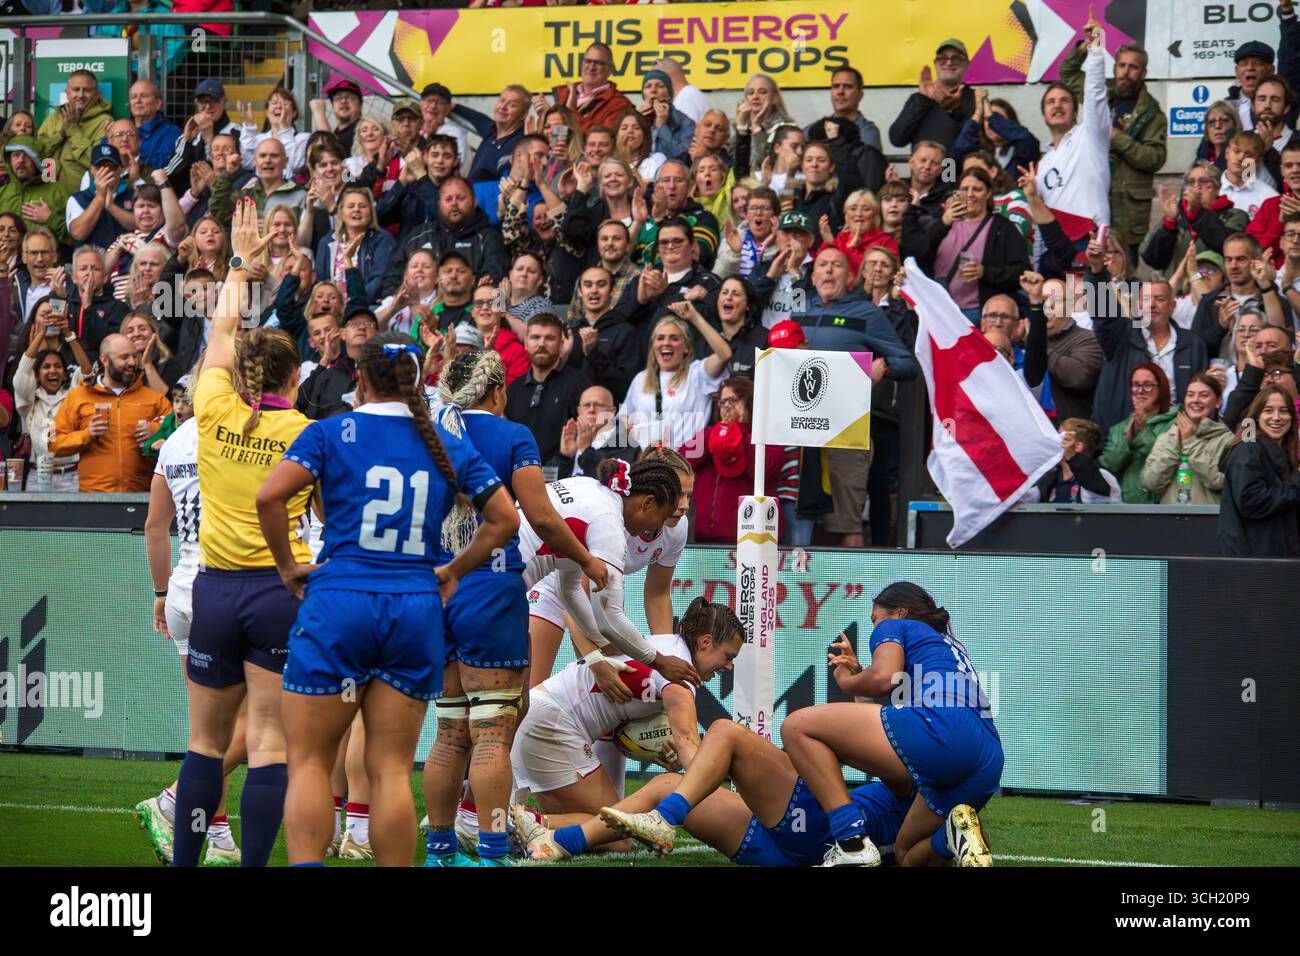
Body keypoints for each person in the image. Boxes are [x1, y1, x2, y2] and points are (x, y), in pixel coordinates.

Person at [420, 348, 607, 866]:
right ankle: (491, 851)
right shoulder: (511, 436)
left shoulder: (428, 434)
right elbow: (544, 519)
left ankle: (439, 852)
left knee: (450, 730)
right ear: (498, 389)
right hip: (490, 588)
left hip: (434, 590)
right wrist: (587, 561)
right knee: (492, 733)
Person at [168, 199, 310, 869]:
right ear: (295, 378)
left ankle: (184, 864)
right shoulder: (307, 435)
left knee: (203, 744)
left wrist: (242, 267)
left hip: (214, 592)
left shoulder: (211, 405)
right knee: (268, 743)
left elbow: (222, 330)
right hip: (280, 594)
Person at [508, 596, 741, 850]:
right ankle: (517, 824)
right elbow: (689, 747)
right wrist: (735, 795)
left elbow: (623, 733)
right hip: (551, 727)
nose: (729, 666)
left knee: (605, 828)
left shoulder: (666, 645)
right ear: (705, 642)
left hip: (540, 718)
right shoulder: (680, 678)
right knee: (617, 836)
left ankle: (512, 823)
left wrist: (657, 752)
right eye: (728, 656)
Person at [138, 403, 244, 867]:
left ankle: (217, 833)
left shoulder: (177, 438)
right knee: (259, 724)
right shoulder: (246, 433)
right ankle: (174, 797)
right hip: (230, 586)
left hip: (184, 587)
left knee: (207, 728)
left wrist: (160, 592)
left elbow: (154, 526)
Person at [1061, 39, 1166, 260]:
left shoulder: (1153, 114)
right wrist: (1087, 46)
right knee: (1087, 273)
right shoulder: (1098, 94)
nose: (1126, 72)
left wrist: (1118, 138)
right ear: (1114, 67)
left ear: (1143, 73)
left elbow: (1154, 158)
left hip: (1127, 214)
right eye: (1121, 65)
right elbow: (1068, 74)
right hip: (1092, 203)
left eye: (1133, 67)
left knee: (1124, 281)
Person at [1088, 262, 1208, 436]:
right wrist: (1097, 272)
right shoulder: (1120, 335)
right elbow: (1102, 313)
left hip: (1175, 436)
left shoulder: (1192, 343)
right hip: (1124, 437)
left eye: (1159, 299)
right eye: (1145, 299)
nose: (1151, 305)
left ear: (1172, 306)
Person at [50, 332, 171, 492]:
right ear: (104, 360)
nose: (132, 362)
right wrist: (87, 434)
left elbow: (180, 432)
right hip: (93, 497)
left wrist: (155, 431)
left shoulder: (153, 398)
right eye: (124, 357)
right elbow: (53, 444)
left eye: (134, 356)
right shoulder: (78, 396)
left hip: (140, 495)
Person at [1036, 15, 1111, 245]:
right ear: (1043, 115)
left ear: (1076, 110)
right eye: (1051, 102)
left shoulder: (1090, 136)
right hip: (1054, 247)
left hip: (1089, 240)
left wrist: (1096, 43)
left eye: (1064, 101)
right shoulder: (1043, 162)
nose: (1057, 105)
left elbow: (1095, 93)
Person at [916, 167, 1029, 318]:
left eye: (977, 189)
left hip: (978, 312)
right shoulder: (943, 222)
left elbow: (1021, 272)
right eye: (964, 189)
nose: (970, 194)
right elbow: (919, 255)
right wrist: (942, 223)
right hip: (939, 310)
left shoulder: (1003, 227)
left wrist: (985, 272)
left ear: (988, 193)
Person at [682, 377, 783, 543]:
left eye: (734, 400)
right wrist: (718, 434)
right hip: (701, 541)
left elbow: (765, 472)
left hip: (750, 541)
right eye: (723, 402)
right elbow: (683, 463)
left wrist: (739, 431)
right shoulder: (709, 434)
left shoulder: (766, 437)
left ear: (750, 402)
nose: (727, 406)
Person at [622, 308, 731, 451]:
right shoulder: (641, 379)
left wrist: (695, 318)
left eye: (674, 338)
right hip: (649, 466)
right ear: (653, 346)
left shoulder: (697, 374)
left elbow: (724, 354)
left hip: (686, 464)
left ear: (686, 347)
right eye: (660, 338)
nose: (666, 343)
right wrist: (628, 426)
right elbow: (624, 415)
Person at [13, 300, 92, 492]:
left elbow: (88, 372)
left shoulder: (73, 394)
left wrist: (68, 334)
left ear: (65, 373)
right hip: (36, 477)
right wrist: (41, 334)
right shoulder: (30, 398)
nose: (52, 371)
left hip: (71, 477)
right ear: (38, 374)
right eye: (46, 367)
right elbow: (21, 374)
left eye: (58, 366)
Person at [1217, 386, 1300, 556]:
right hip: (1254, 563)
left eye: (1284, 411)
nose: (1276, 417)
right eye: (1268, 410)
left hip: (1278, 558)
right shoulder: (1247, 448)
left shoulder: (1283, 453)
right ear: (1256, 417)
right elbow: (1251, 502)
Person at [504, 312, 590, 465]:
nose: (541, 344)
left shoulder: (579, 383)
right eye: (535, 337)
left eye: (550, 338)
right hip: (520, 475)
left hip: (565, 478)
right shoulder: (514, 389)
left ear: (561, 344)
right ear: (525, 343)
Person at [1140, 163, 1250, 276]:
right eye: (1191, 182)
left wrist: (1198, 213)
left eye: (1203, 181)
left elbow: (1227, 246)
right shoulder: (1175, 215)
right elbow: (1152, 259)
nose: (1196, 187)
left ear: (1217, 189)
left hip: (1213, 289)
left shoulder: (1234, 215)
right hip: (1176, 290)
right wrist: (1169, 223)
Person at [1023, 274, 1103, 423]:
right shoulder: (1026, 339)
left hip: (1073, 436)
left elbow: (1078, 377)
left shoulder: (1089, 339)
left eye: (1056, 300)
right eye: (1043, 300)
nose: (1048, 306)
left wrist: (1035, 343)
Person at [1141, 374, 1232, 504]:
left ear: (1218, 402)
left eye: (1204, 395)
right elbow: (1151, 483)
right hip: (1171, 520)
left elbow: (1218, 481)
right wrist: (1174, 446)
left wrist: (1190, 442)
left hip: (1209, 520)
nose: (1195, 400)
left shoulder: (1228, 440)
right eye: (1190, 394)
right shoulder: (1168, 437)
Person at [1098, 362, 1179, 503]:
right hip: (1128, 506)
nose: (1140, 391)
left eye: (1147, 385)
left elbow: (1161, 455)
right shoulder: (1118, 429)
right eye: (1136, 385)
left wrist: (1142, 431)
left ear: (1161, 389)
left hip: (1163, 505)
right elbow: (1111, 464)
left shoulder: (1175, 422)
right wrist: (1128, 437)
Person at [564, 265, 640, 401]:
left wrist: (593, 354)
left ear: (612, 290)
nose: (594, 290)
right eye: (588, 285)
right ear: (580, 291)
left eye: (601, 285)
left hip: (608, 413)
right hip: (575, 414)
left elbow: (629, 385)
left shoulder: (625, 331)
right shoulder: (571, 332)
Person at [312, 184, 395, 306]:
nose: (356, 209)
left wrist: (356, 303)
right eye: (350, 206)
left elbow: (378, 280)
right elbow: (320, 281)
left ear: (371, 213)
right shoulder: (326, 242)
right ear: (341, 212)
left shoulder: (382, 239)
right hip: (331, 309)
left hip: (365, 307)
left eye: (362, 206)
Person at [888, 40, 975, 153]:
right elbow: (897, 139)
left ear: (967, 64)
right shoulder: (918, 99)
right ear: (935, 63)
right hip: (923, 170)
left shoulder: (976, 99)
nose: (949, 63)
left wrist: (955, 110)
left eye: (956, 58)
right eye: (943, 58)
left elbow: (978, 141)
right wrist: (923, 100)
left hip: (958, 170)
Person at [36, 69, 112, 196]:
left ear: (97, 94)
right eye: (76, 89)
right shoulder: (54, 118)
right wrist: (60, 135)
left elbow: (98, 163)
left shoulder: (105, 122)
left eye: (87, 90)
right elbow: (38, 153)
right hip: (48, 196)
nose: (81, 95)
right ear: (67, 93)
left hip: (82, 198)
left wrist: (72, 130)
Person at [210, 136, 305, 223]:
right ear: (256, 162)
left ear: (285, 162)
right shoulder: (246, 196)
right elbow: (219, 211)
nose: (267, 161)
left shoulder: (300, 193)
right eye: (263, 156)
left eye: (274, 156)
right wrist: (228, 173)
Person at [547, 42, 634, 136]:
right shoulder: (564, 93)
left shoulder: (619, 104)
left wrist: (571, 112)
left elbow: (603, 139)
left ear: (609, 70)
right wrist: (544, 117)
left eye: (599, 63)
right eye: (588, 61)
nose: (591, 67)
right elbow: (555, 137)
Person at [1028, 417, 1121, 503]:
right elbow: (1026, 497)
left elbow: (1093, 484)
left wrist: (1072, 455)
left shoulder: (1102, 475)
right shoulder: (1051, 477)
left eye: (1063, 438)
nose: (1056, 441)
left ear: (1078, 446)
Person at [953, 88, 1040, 177]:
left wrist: (991, 116)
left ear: (1010, 123)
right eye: (986, 119)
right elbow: (959, 149)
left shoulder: (1022, 148)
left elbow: (1025, 136)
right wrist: (978, 113)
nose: (991, 124)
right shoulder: (979, 152)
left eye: (999, 118)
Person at [0, 136, 68, 245]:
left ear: (37, 161)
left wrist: (51, 219)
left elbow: (74, 236)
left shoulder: (56, 190)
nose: (21, 160)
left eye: (27, 155)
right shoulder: (2, 193)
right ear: (10, 161)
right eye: (16, 155)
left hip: (43, 259)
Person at [455, 84, 529, 184]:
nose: (503, 107)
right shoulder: (491, 130)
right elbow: (476, 118)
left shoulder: (522, 143)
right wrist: (451, 106)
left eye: (512, 105)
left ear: (523, 115)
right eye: (502, 100)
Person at [235, 87, 311, 175]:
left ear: (294, 113)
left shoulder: (304, 138)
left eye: (285, 103)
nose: (279, 106)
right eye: (274, 103)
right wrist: (249, 126)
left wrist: (285, 130)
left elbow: (295, 166)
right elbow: (247, 163)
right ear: (267, 112)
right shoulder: (259, 140)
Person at [127, 80, 183, 171]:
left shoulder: (172, 133)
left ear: (158, 104)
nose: (137, 101)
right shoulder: (119, 129)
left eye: (143, 96)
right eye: (133, 97)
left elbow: (163, 168)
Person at [1220, 131, 1277, 217]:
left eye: (1248, 155)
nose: (1240, 158)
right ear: (1227, 153)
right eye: (1236, 151)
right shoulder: (1210, 187)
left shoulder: (1269, 197)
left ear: (1258, 161)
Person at [309, 78, 363, 155]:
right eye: (338, 98)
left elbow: (333, 153)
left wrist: (319, 114)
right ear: (333, 105)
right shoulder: (337, 132)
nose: (343, 101)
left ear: (360, 105)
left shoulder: (362, 129)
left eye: (350, 97)